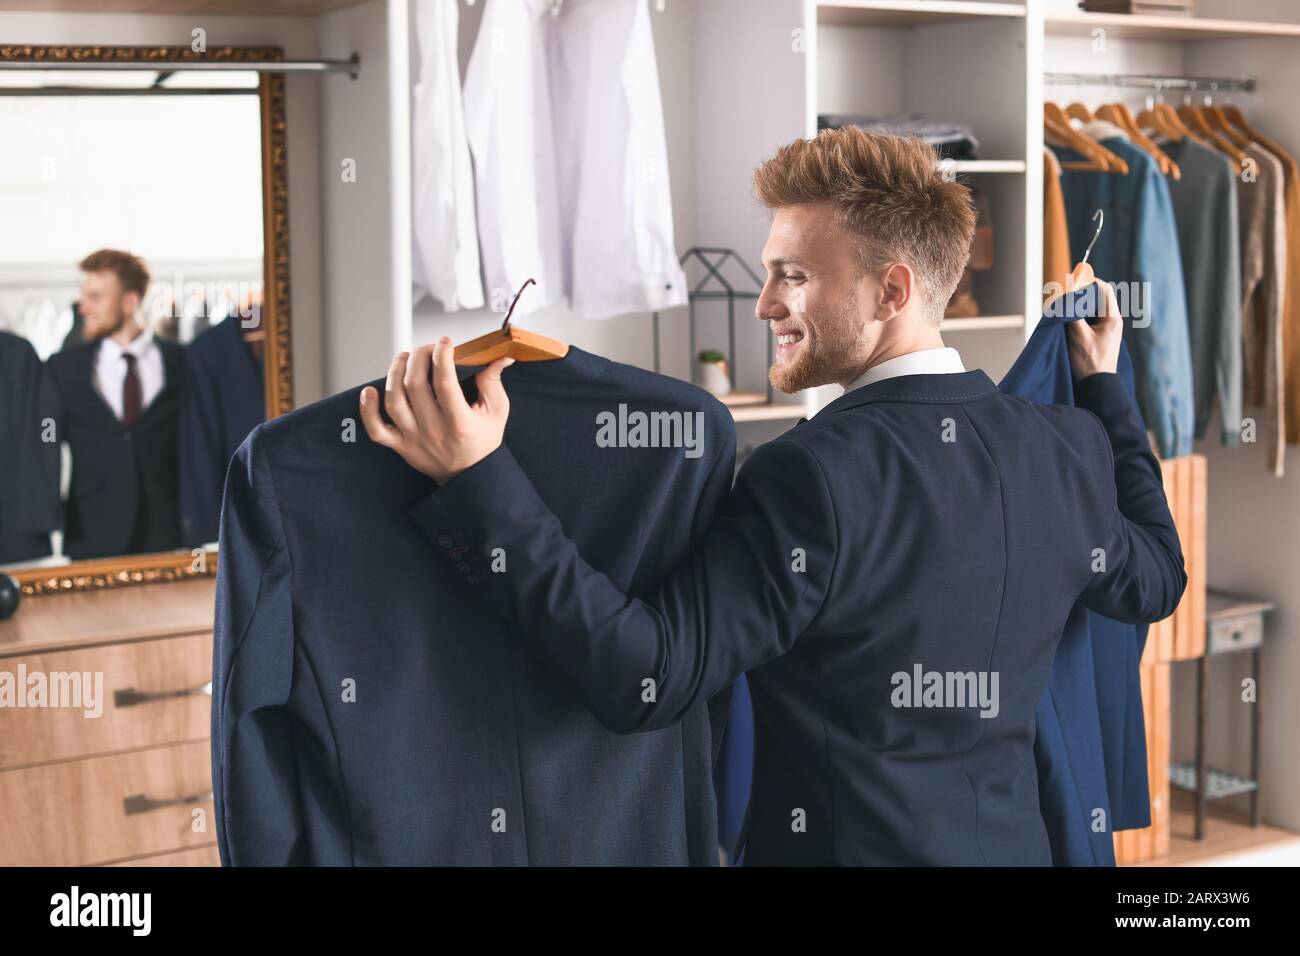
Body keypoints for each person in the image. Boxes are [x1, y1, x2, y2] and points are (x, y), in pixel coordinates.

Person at [359, 127, 1186, 865]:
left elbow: (642, 675)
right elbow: (1158, 578)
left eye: (793, 277)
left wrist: (479, 480)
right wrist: (1106, 391)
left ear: (890, 291)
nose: (764, 305)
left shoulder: (809, 476)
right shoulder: (1066, 449)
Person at [46, 249, 184, 559]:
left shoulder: (181, 362)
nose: (84, 306)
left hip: (166, 532)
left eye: (95, 297)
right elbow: (47, 430)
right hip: (90, 532)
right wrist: (45, 433)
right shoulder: (62, 368)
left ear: (129, 302)